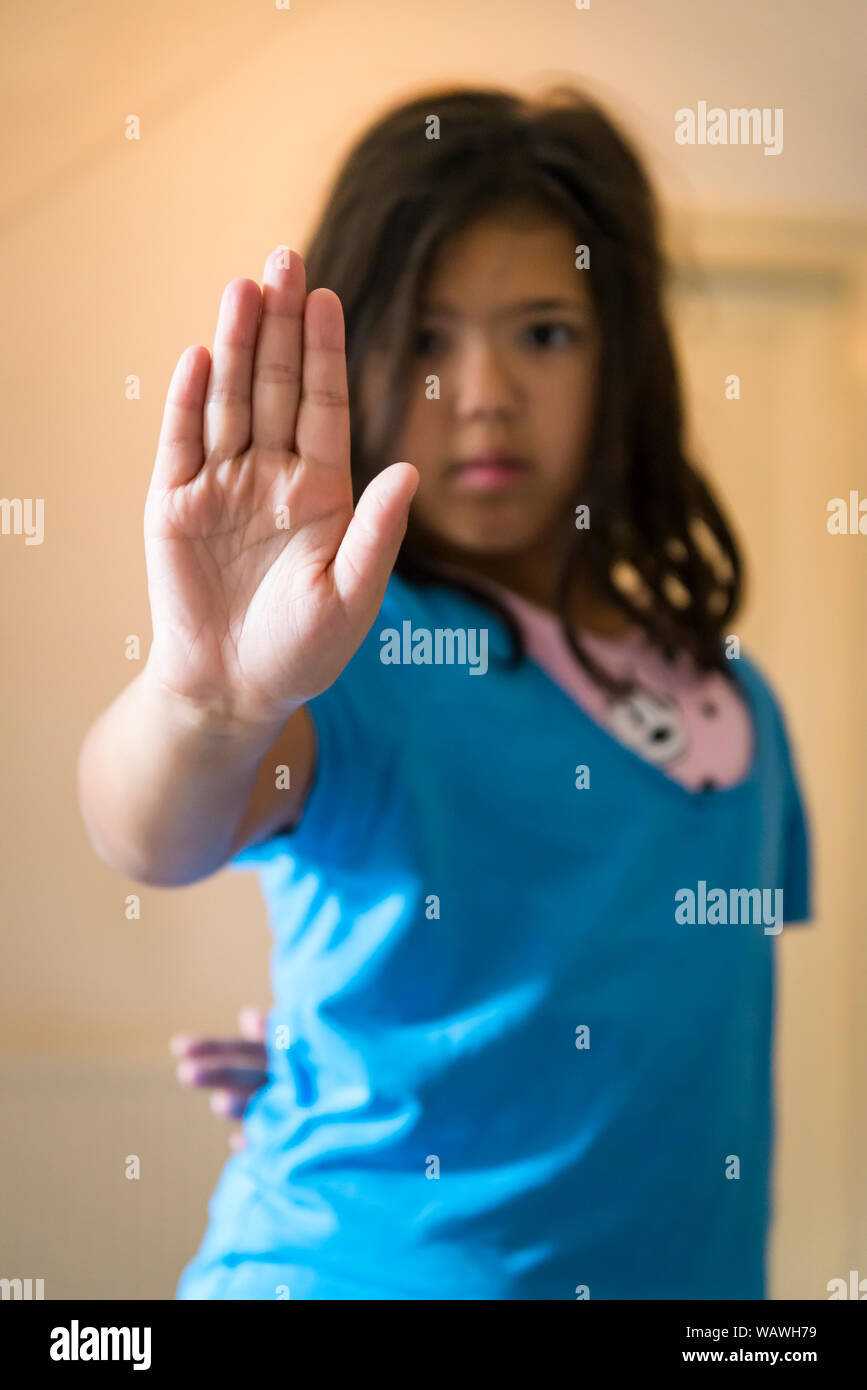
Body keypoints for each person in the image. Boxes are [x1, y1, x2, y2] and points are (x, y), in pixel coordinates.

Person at [77, 84, 812, 1300]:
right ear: (356, 356)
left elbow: (644, 1027)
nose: (483, 391)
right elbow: (147, 827)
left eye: (544, 332)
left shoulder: (743, 703)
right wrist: (205, 699)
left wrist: (369, 1062)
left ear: (624, 359)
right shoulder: (356, 646)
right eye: (427, 336)